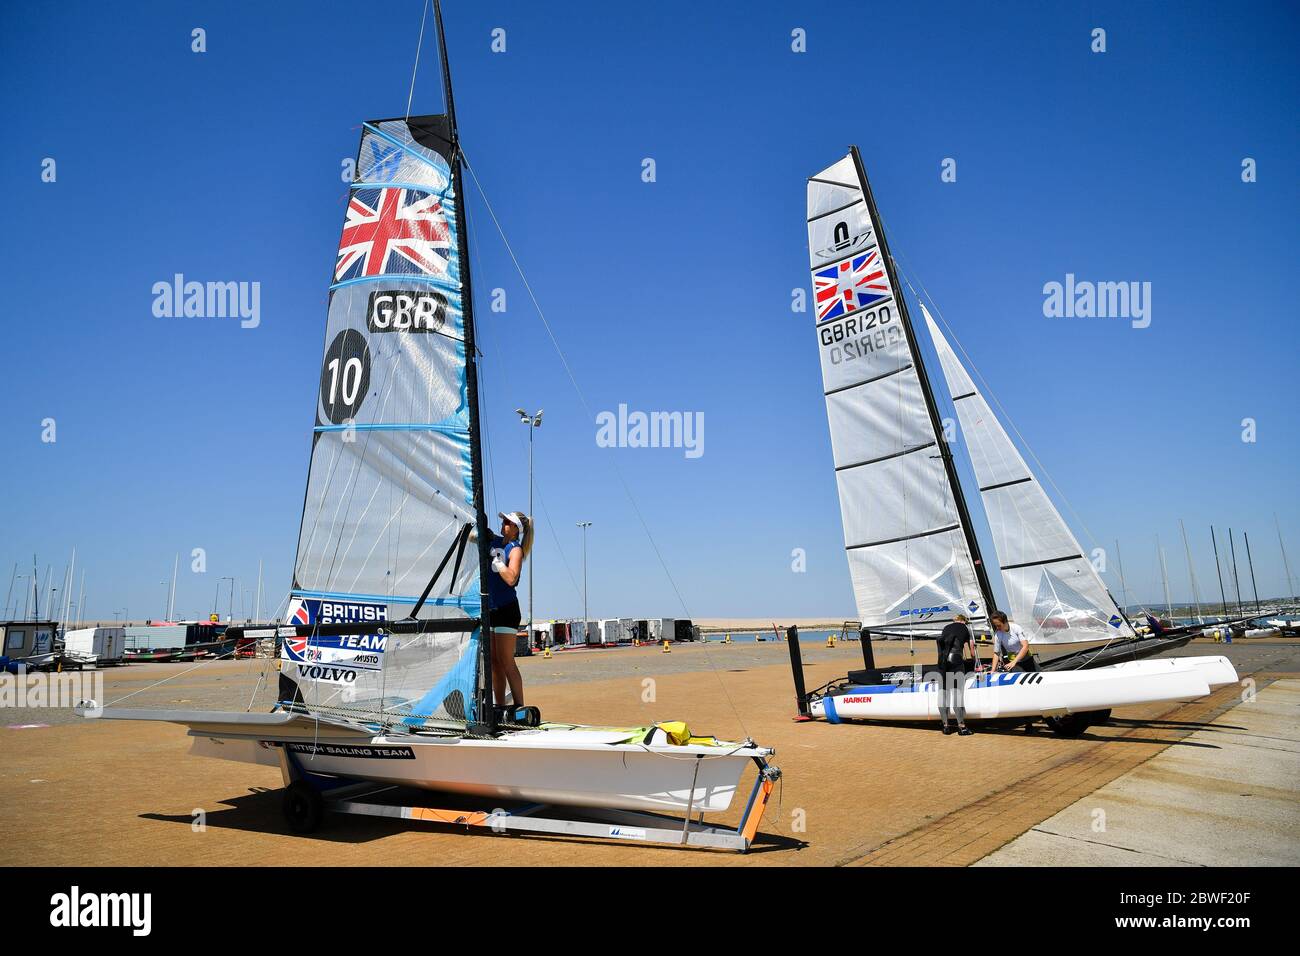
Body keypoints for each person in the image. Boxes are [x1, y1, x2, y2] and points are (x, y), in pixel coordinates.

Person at [484, 510, 532, 710]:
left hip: (507, 610)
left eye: (507, 522)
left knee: (506, 660)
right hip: (491, 610)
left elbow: (512, 578)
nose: (503, 524)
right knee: (494, 661)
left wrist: (497, 562)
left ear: (515, 529)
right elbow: (479, 533)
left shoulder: (516, 549)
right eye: (503, 521)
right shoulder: (496, 541)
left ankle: (519, 708)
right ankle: (500, 707)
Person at [935, 613, 975, 735]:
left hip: (942, 662)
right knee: (957, 693)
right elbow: (971, 648)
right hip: (956, 661)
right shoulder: (965, 628)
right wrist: (974, 661)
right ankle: (962, 727)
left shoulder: (946, 627)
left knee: (943, 693)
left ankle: (946, 726)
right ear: (963, 621)